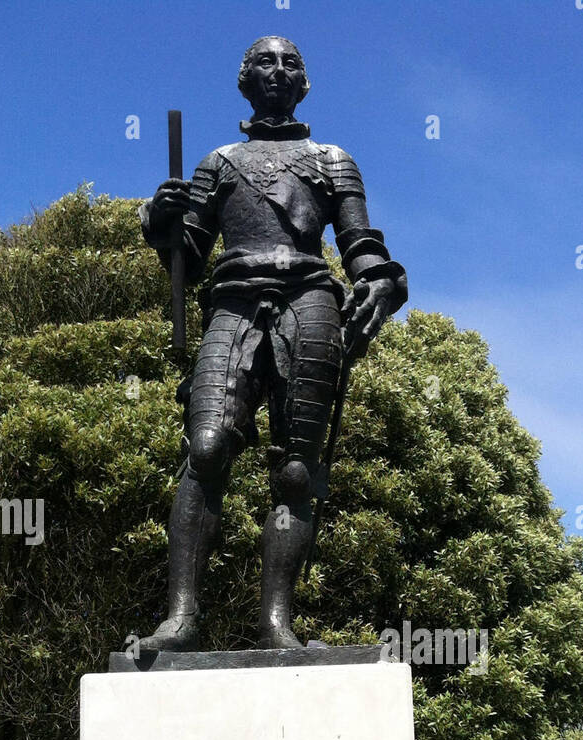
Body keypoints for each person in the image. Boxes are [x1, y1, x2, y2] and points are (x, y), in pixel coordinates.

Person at [137, 35, 407, 652]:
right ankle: (181, 617)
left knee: (294, 471)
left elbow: (359, 246)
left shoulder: (333, 159)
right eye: (266, 59)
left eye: (291, 62)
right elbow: (188, 254)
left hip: (310, 302)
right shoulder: (218, 161)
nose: (279, 69)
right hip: (232, 300)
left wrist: (380, 281)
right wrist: (161, 221)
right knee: (205, 448)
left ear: (304, 82)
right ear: (243, 77)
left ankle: (276, 624)